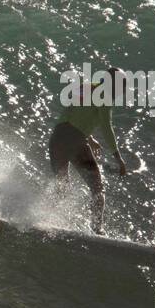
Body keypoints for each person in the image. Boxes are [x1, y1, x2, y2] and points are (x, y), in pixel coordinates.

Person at [50, 65, 129, 234]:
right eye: (122, 85)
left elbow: (70, 115)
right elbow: (107, 128)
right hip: (74, 141)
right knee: (97, 189)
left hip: (57, 138)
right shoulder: (105, 95)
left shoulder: (87, 88)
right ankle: (97, 229)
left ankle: (38, 217)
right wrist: (118, 157)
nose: (123, 90)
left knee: (63, 188)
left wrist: (90, 138)